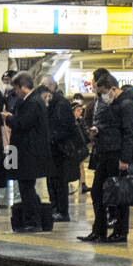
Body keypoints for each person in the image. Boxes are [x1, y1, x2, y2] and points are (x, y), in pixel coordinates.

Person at [80, 74, 133, 244]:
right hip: (105, 153)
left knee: (119, 195)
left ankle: (120, 232)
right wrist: (99, 130)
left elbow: (129, 133)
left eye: (104, 93)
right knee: (98, 192)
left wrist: (125, 159)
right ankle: (99, 230)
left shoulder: (126, 104)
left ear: (113, 89)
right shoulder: (113, 104)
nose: (102, 97)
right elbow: (113, 126)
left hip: (116, 155)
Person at [5, 72, 50, 233]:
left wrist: (9, 118)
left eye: (16, 88)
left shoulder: (32, 102)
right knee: (27, 187)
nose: (15, 92)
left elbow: (23, 123)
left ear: (24, 87)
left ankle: (33, 221)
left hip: (30, 153)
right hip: (28, 152)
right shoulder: (32, 101)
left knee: (27, 187)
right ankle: (32, 219)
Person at [41, 75, 77, 223]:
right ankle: (55, 208)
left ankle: (62, 211)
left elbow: (67, 127)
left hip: (60, 150)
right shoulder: (50, 103)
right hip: (53, 149)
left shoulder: (60, 104)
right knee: (52, 181)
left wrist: (53, 138)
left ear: (52, 86)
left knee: (59, 181)